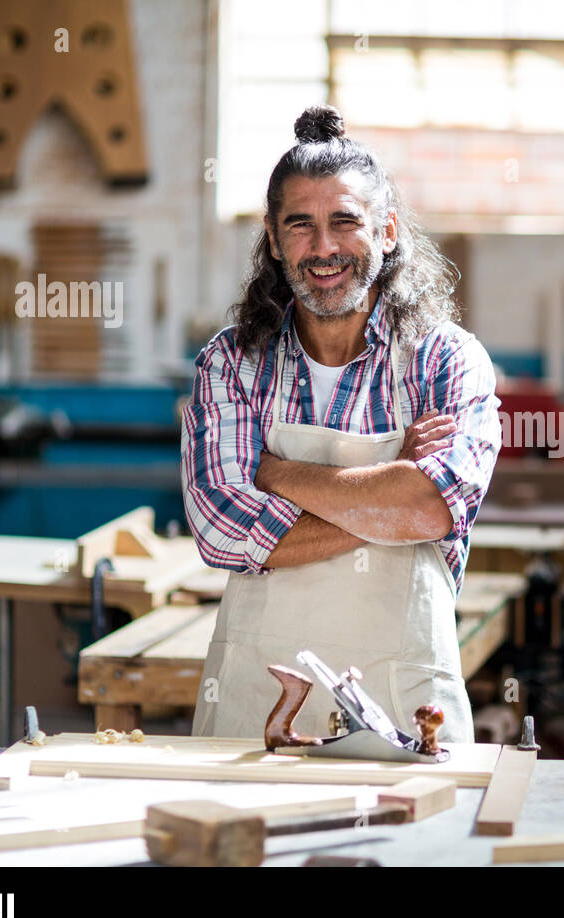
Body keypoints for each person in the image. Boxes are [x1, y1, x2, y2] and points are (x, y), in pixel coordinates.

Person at [181, 104, 502, 743]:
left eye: (345, 222)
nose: (323, 248)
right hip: (257, 703)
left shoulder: (444, 360)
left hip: (405, 702)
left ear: (385, 233)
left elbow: (432, 509)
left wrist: (278, 475)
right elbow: (223, 533)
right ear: (273, 239)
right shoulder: (231, 363)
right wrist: (385, 498)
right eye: (300, 225)